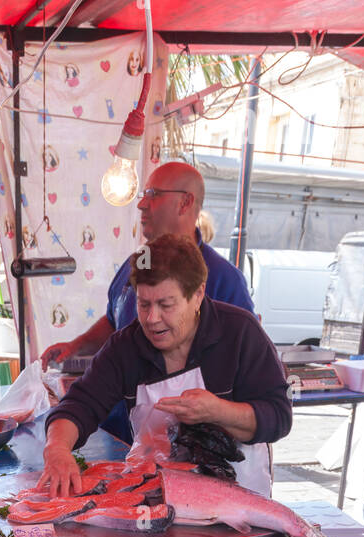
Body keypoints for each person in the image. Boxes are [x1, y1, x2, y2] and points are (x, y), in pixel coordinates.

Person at [42, 234, 292, 498]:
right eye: (143, 304)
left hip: (242, 504)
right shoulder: (125, 347)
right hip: (160, 503)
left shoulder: (240, 333)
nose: (152, 319)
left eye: (166, 305)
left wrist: (218, 411)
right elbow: (79, 406)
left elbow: (279, 417)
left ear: (197, 295)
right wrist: (57, 449)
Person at [42, 161, 255, 438]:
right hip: (119, 432)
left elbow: (253, 386)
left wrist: (221, 414)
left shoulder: (225, 280)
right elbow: (113, 319)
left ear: (185, 203)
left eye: (153, 194)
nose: (141, 204)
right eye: (144, 305)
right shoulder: (137, 264)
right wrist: (76, 346)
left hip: (192, 449)